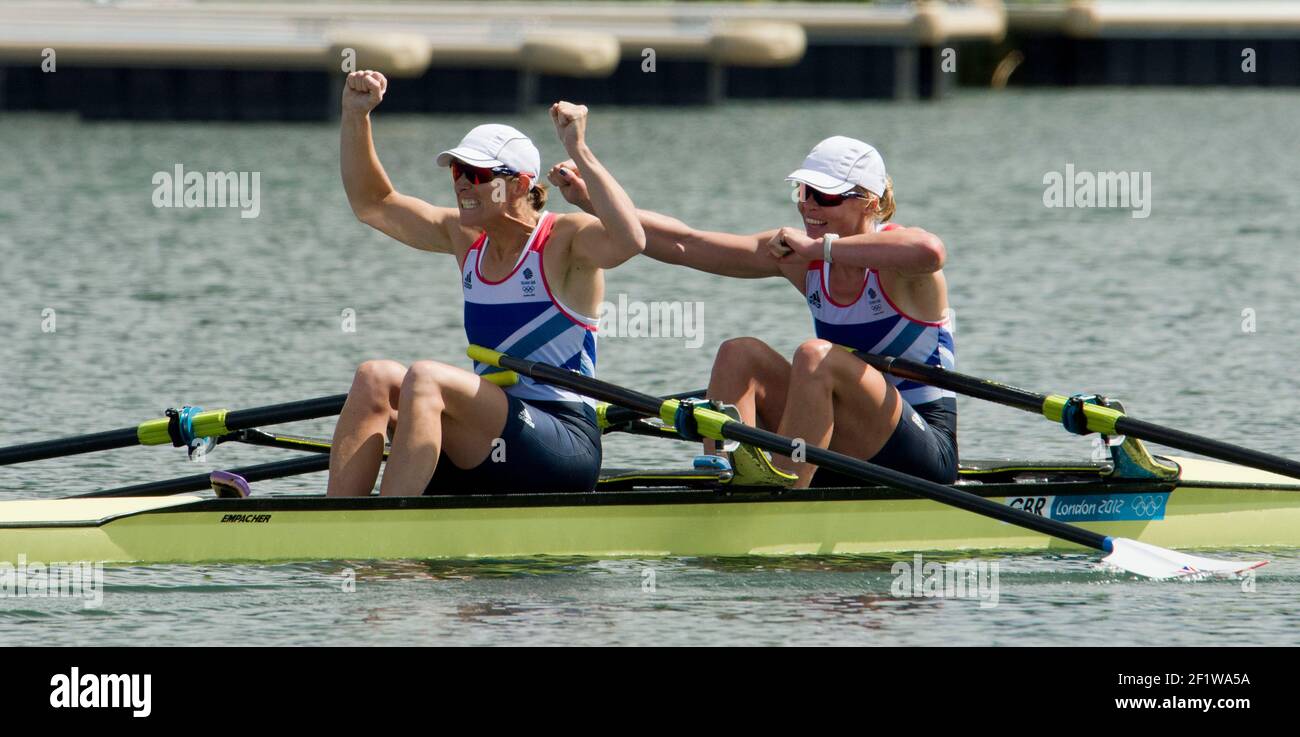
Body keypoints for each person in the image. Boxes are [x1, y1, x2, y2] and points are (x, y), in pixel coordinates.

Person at [549, 135, 955, 486]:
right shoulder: (799, 256)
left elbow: (931, 251)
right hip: (847, 439)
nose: (809, 206)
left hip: (922, 448)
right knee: (739, 352)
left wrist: (820, 249)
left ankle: (783, 493)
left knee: (816, 356)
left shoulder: (901, 266)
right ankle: (725, 469)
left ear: (870, 201)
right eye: (803, 192)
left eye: (825, 196)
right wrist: (592, 200)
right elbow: (687, 244)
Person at [328, 70, 644, 496]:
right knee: (374, 377)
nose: (461, 183)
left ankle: (390, 536)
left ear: (520, 184)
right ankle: (340, 527)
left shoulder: (566, 241)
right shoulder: (465, 237)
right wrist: (355, 115)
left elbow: (631, 240)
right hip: (492, 441)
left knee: (426, 377)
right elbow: (373, 204)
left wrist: (579, 149)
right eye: (458, 170)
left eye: (477, 174)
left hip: (563, 445)